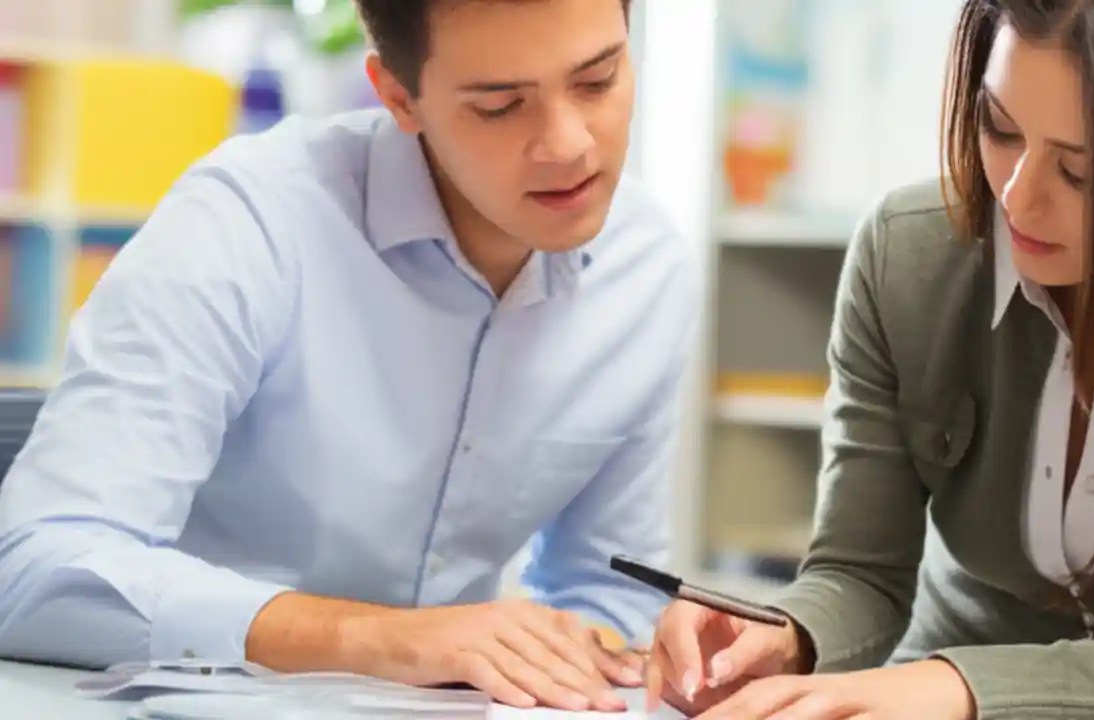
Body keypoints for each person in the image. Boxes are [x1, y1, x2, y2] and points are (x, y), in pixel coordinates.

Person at [0, 0, 695, 712]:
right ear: (399, 96)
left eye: (597, 81)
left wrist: (645, 661)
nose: (569, 143)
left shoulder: (644, 268)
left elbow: (607, 589)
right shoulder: (252, 222)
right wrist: (389, 640)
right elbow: (31, 568)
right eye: (500, 106)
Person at [647, 0, 1094, 718]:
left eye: (1080, 171)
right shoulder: (908, 256)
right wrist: (786, 634)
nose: (1019, 198)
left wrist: (965, 688)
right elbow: (861, 572)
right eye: (1000, 128)